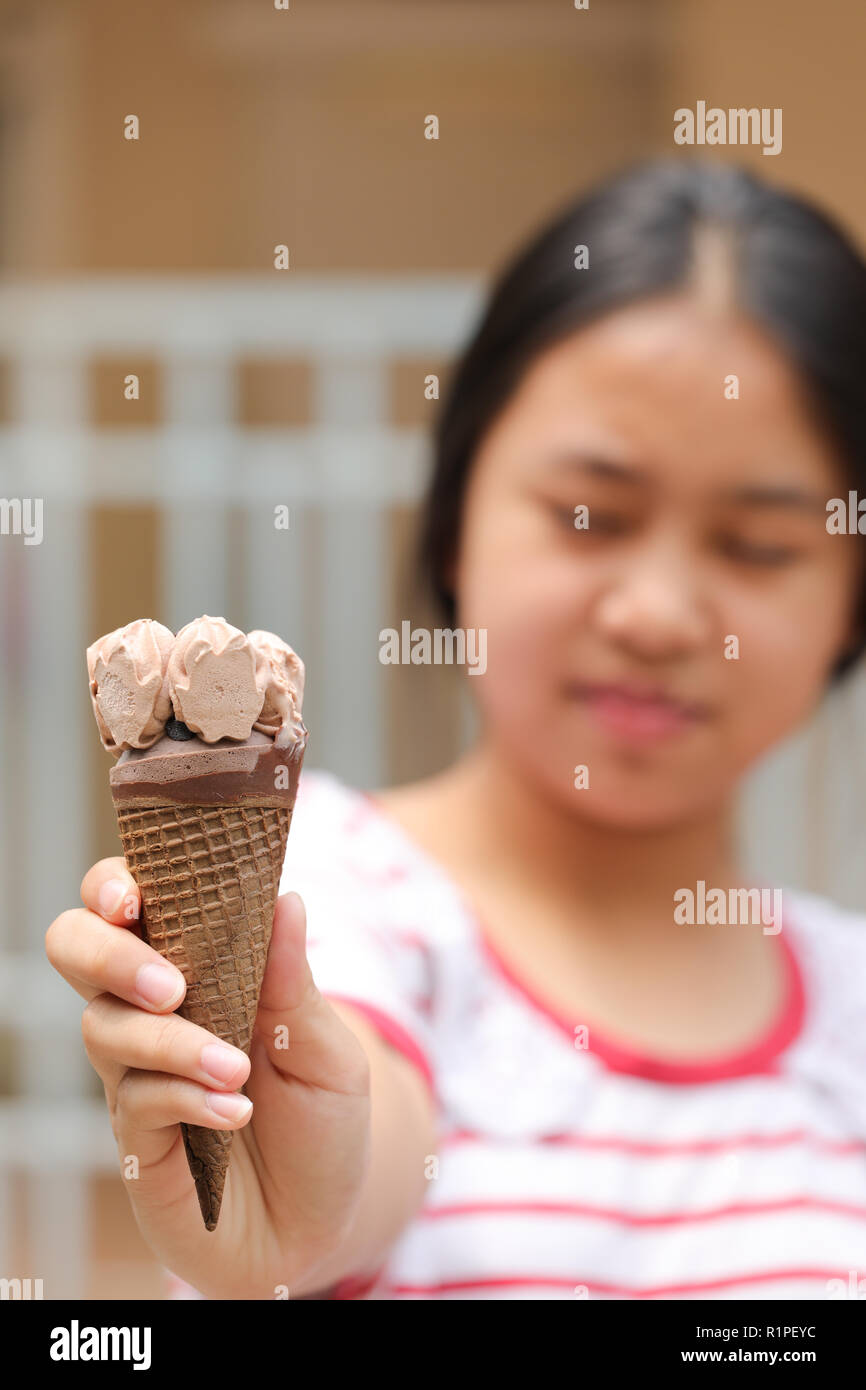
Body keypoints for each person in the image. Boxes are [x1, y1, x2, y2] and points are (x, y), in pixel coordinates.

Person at [47, 161, 866, 1300]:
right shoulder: (334, 892)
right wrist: (300, 1208)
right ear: (453, 519)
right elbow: (358, 1115)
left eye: (758, 545)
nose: (656, 613)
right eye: (590, 515)